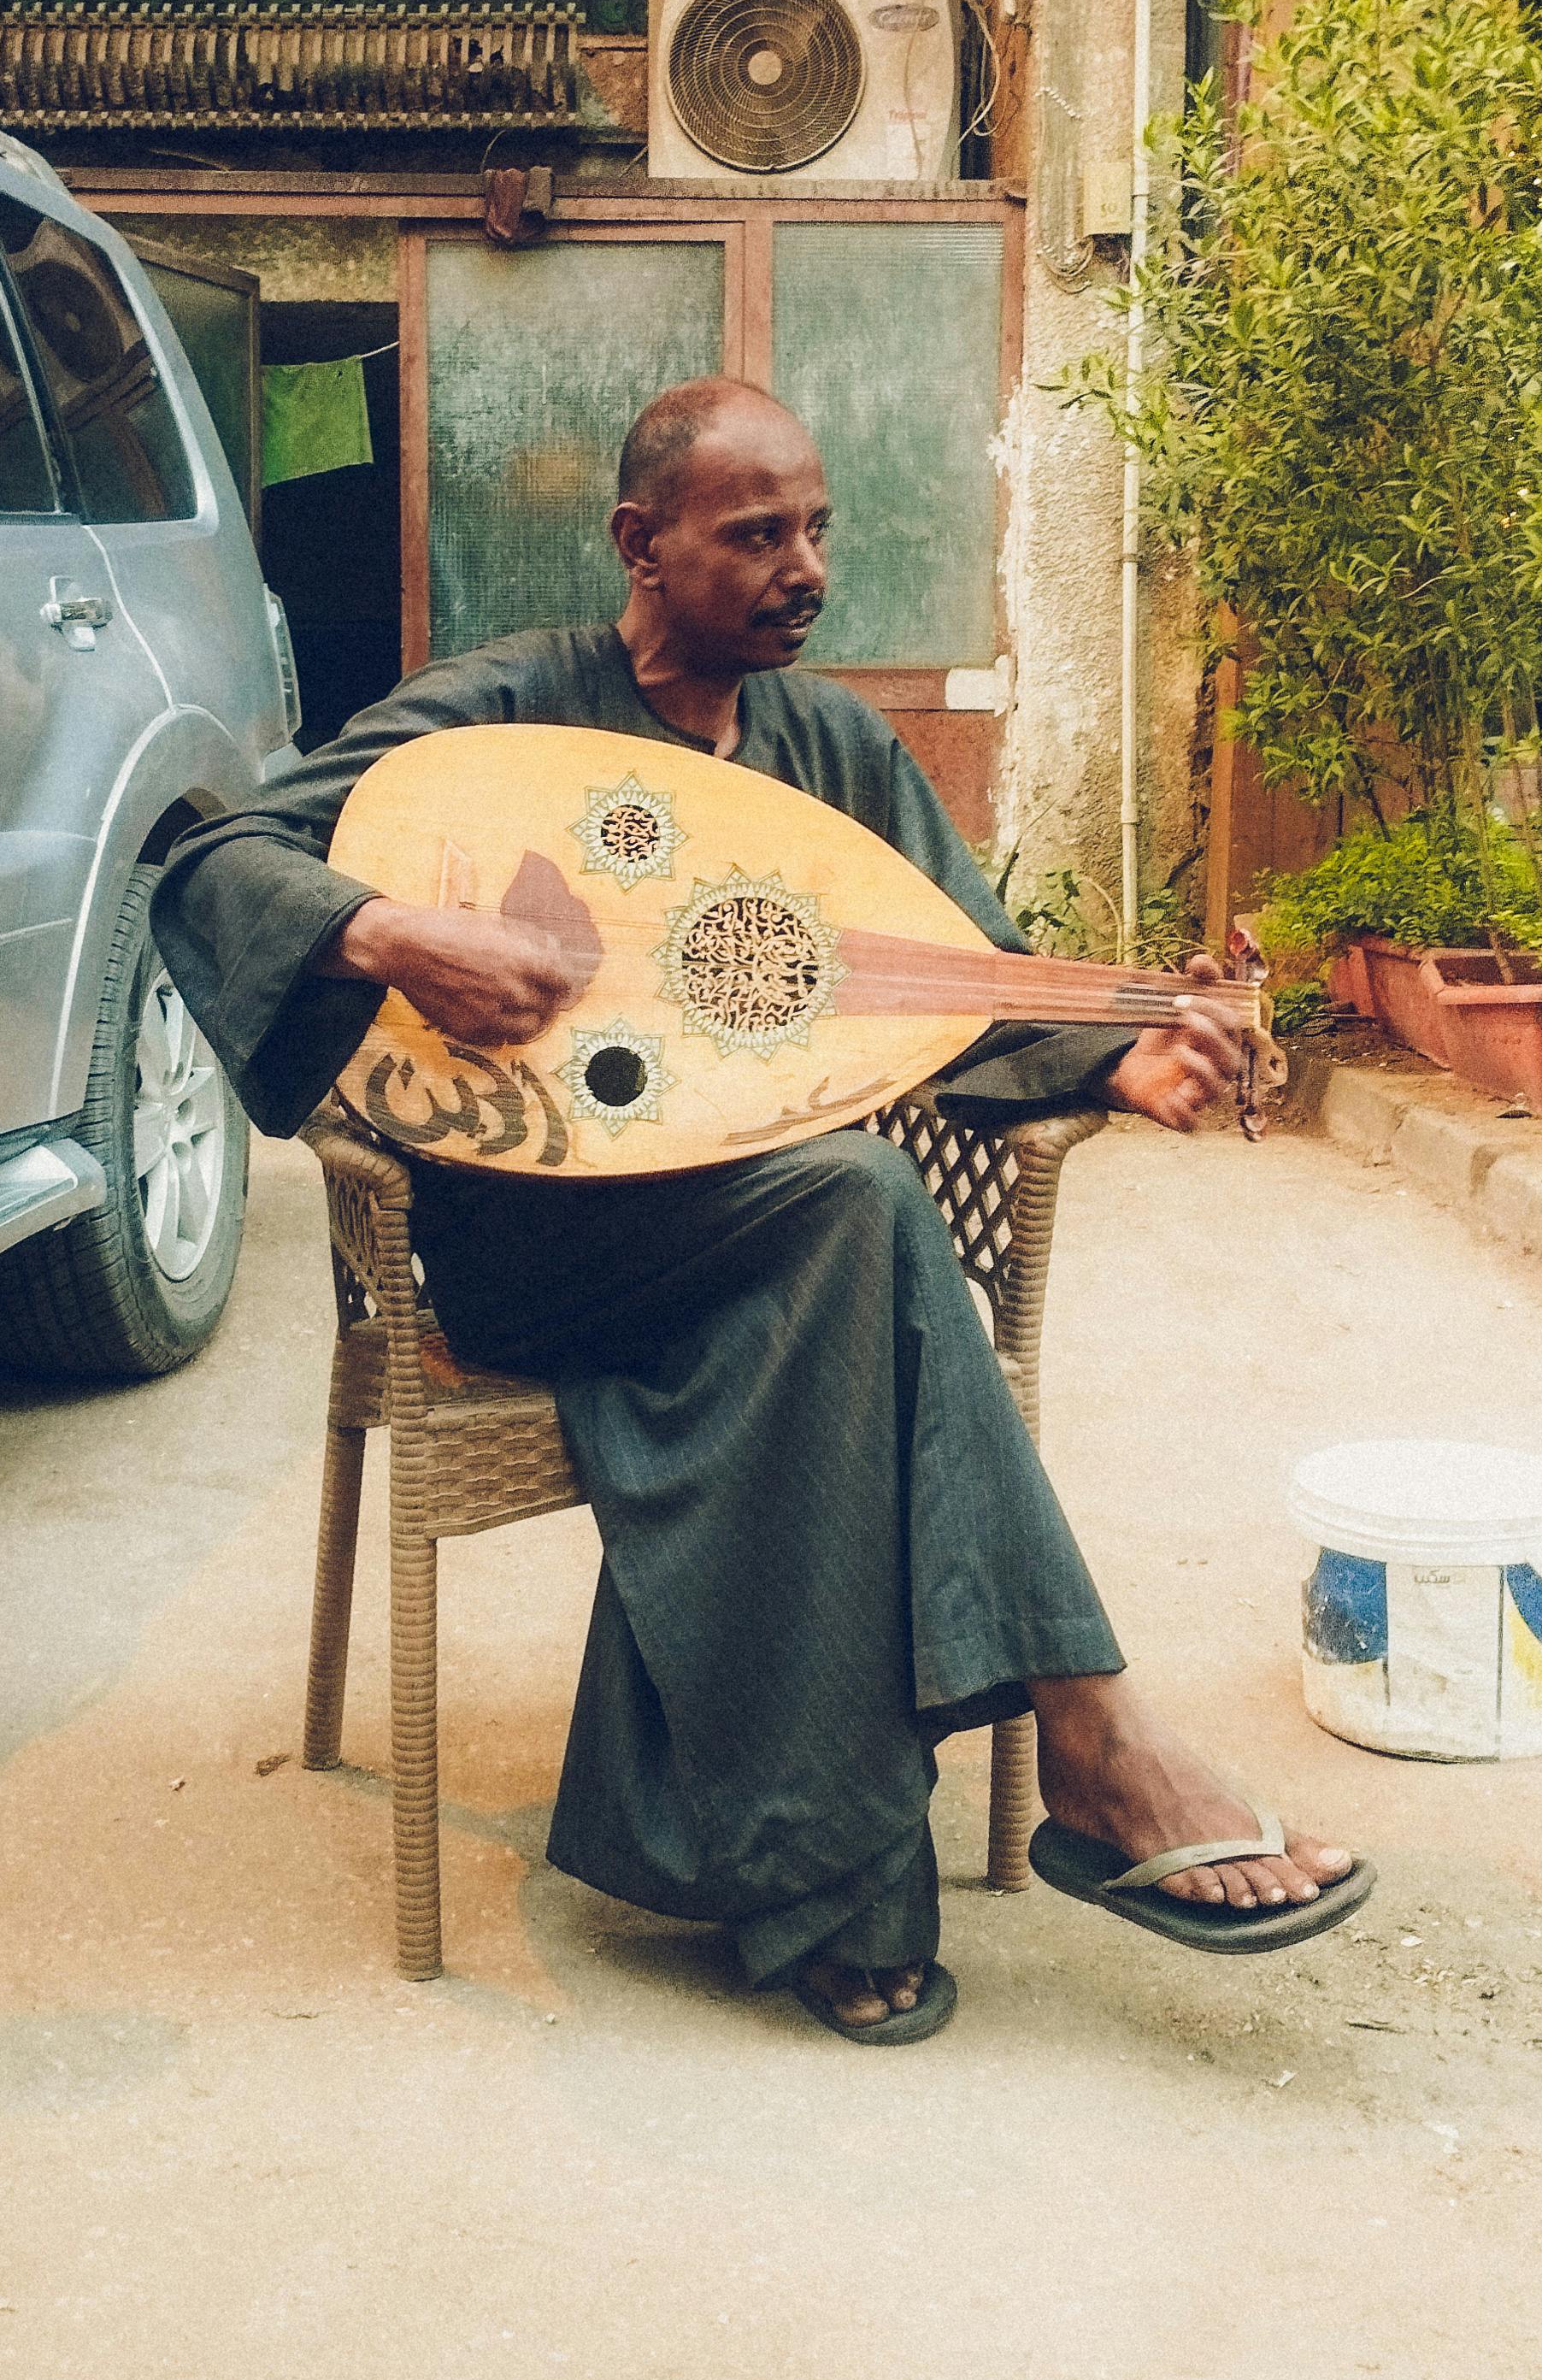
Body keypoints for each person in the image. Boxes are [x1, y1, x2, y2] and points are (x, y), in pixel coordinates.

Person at [156, 378, 1370, 2044]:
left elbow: (965, 977)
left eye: (815, 530)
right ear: (637, 547)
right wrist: (394, 937)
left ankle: (848, 1885)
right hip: (531, 1243)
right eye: (754, 535)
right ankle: (1094, 1743)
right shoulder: (503, 709)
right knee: (859, 1208)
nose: (804, 566)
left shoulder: (832, 753)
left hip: (773, 1222)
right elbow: (210, 870)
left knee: (844, 1235)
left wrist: (1112, 1065)